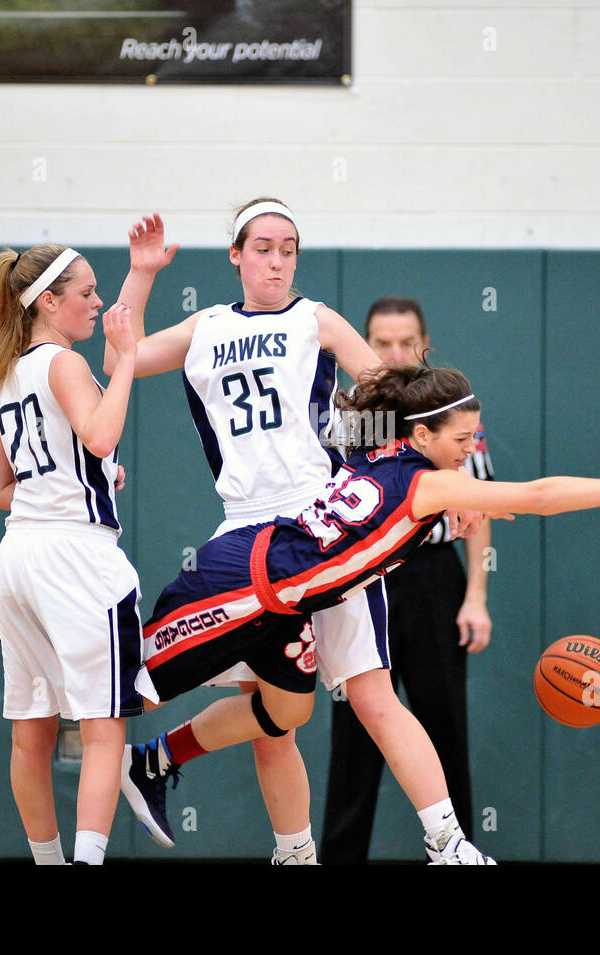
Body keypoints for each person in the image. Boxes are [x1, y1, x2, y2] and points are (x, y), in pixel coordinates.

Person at [123, 363, 600, 864]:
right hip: (242, 584)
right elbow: (538, 496)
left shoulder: (386, 451)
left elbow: (391, 513)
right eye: (463, 438)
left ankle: (155, 759)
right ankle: (61, 754)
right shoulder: (428, 482)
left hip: (292, 602)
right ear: (422, 433)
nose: (472, 449)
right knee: (124, 697)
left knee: (284, 714)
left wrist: (460, 510)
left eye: (476, 436)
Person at [110, 202, 491, 864]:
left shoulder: (315, 319)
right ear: (236, 254)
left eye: (289, 248)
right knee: (272, 712)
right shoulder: (205, 327)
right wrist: (142, 273)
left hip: (322, 525)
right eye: (263, 248)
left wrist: (444, 485)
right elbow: (127, 355)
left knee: (371, 694)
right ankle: (294, 851)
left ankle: (449, 842)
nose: (278, 260)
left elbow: (391, 401)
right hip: (246, 533)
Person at [0, 244, 152, 865]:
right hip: (76, 558)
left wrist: (83, 476)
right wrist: (124, 364)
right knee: (105, 726)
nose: (97, 303)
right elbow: (99, 434)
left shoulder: (9, 373)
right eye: (87, 292)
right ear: (49, 301)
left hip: (17, 559)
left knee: (32, 730)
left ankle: (47, 861)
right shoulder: (64, 364)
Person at [322, 296, 493, 863]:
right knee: (355, 730)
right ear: (364, 345)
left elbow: (481, 509)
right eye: (381, 342)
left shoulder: (451, 409)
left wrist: (475, 597)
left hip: (435, 578)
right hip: (363, 577)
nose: (394, 353)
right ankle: (341, 856)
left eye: (406, 342)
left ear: (425, 345)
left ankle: (456, 851)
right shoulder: (347, 416)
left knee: (444, 722)